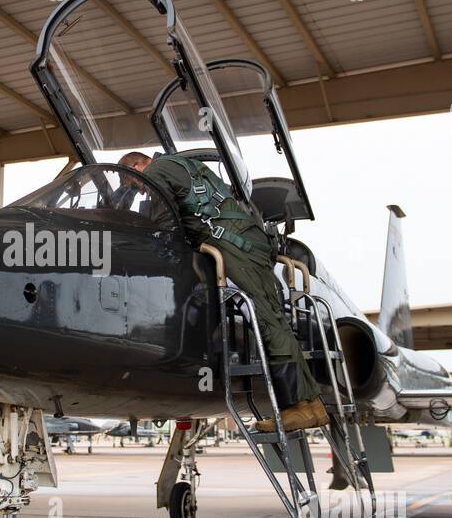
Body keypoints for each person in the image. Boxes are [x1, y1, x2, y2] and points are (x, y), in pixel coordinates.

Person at [118, 151, 330, 439]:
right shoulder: (184, 164)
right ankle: (312, 405)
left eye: (133, 183)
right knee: (275, 320)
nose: (139, 188)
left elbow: (164, 220)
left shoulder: (156, 173)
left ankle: (293, 406)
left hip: (235, 246)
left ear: (137, 168)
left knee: (266, 322)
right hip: (249, 241)